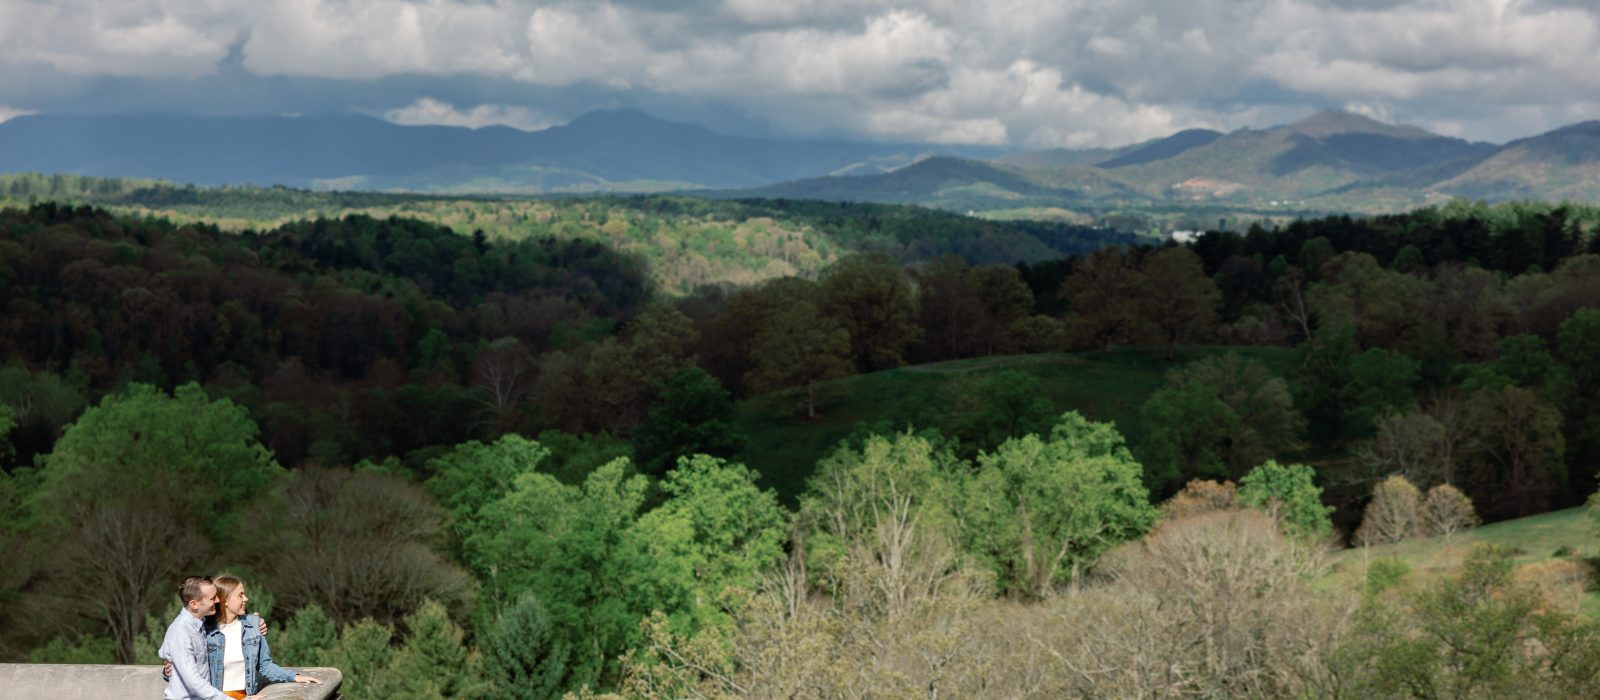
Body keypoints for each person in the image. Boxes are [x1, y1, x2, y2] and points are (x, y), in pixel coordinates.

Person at [164, 575, 322, 699]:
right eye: (240, 595)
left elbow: (265, 665)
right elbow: (192, 669)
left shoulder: (253, 625)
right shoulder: (203, 629)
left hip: (247, 696)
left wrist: (294, 676)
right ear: (225, 600)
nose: (246, 599)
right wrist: (168, 671)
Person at [158, 575, 231, 700]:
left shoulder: (199, 623)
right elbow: (193, 682)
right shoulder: (180, 632)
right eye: (212, 598)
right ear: (194, 604)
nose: (218, 600)